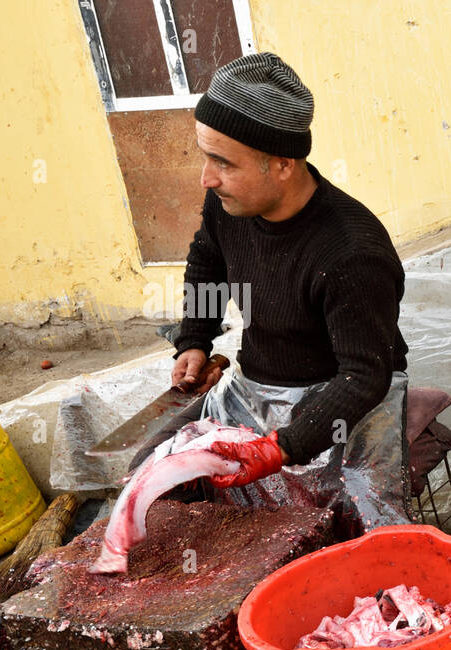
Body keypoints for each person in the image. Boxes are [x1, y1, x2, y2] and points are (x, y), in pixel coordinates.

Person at [168, 52, 410, 535]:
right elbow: (208, 262)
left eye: (223, 162)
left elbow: (364, 375)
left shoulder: (351, 253)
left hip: (343, 409)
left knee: (341, 534)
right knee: (206, 510)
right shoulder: (228, 203)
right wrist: (195, 339)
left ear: (281, 165)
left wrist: (282, 447)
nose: (206, 178)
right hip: (255, 388)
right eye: (205, 155)